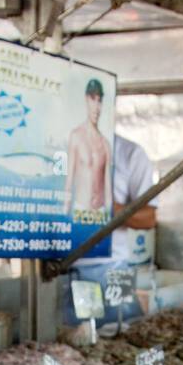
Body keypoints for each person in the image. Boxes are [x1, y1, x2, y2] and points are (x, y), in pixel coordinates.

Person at [61, 134, 160, 327]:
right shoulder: (57, 145)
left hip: (114, 270)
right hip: (57, 273)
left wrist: (105, 206)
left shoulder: (129, 153)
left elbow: (148, 218)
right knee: (65, 347)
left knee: (123, 340)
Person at [64, 79, 112, 220]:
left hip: (99, 212)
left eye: (99, 100)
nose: (96, 106)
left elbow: (108, 188)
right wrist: (65, 210)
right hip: (80, 210)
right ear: (86, 100)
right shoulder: (76, 137)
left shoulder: (106, 144)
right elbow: (69, 178)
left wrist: (108, 217)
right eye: (92, 99)